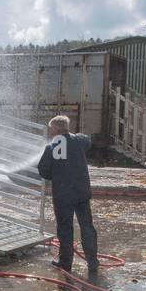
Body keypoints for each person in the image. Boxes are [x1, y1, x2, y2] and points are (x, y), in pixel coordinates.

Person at [36, 115, 98, 276]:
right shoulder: (79, 140)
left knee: (65, 228)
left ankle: (65, 262)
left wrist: (57, 175)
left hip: (63, 194)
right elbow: (88, 140)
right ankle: (92, 262)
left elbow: (43, 170)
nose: (50, 131)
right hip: (82, 191)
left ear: (55, 129)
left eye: (51, 128)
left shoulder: (51, 147)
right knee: (87, 225)